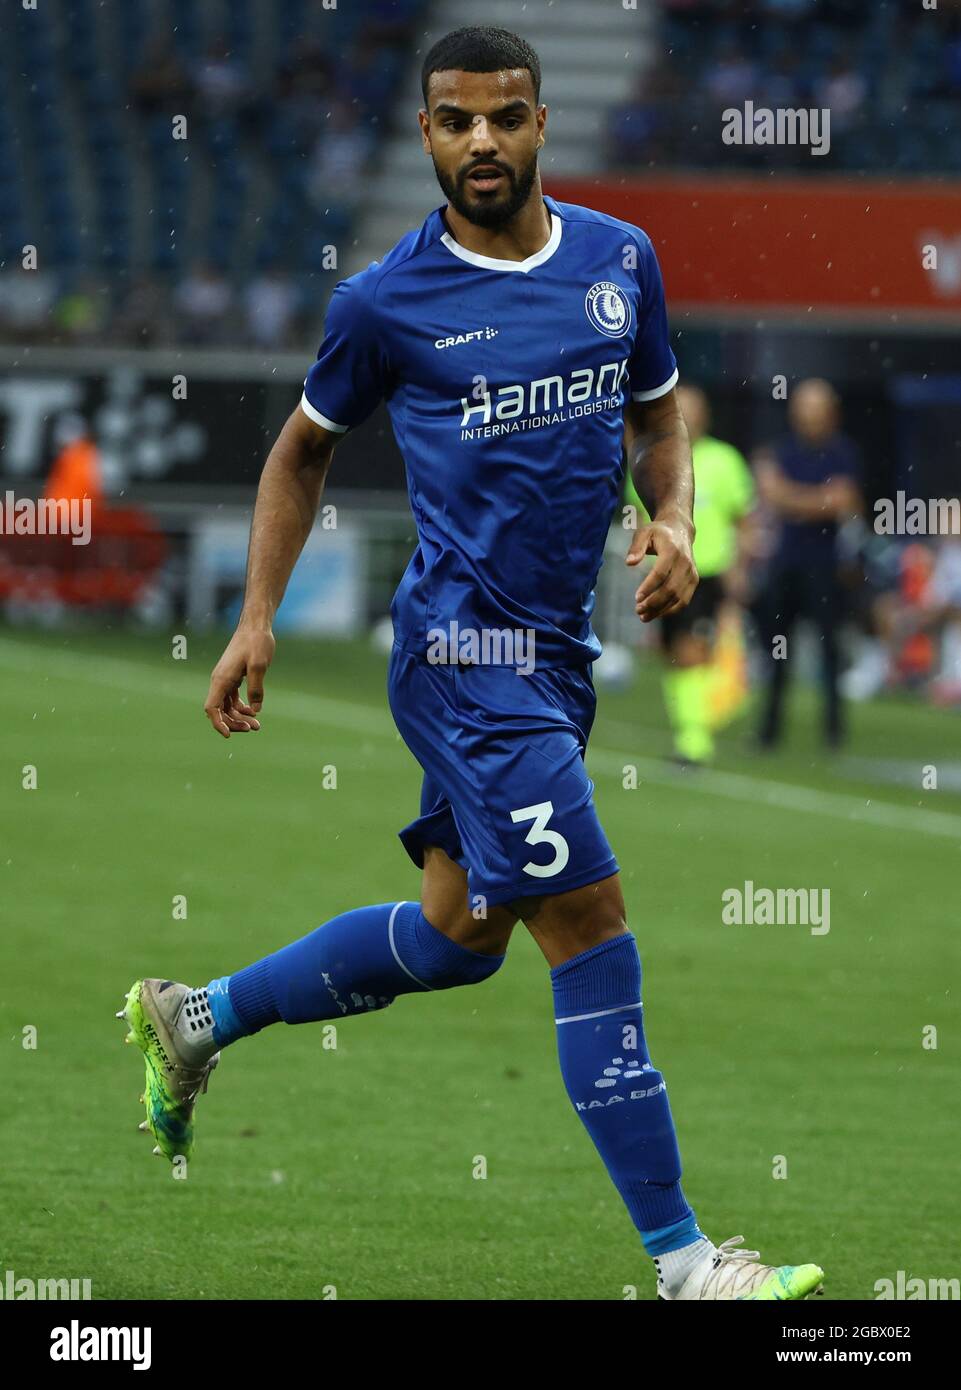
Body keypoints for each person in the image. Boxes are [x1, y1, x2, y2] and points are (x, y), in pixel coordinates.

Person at [118, 26, 823, 1302]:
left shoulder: (621, 261)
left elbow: (657, 410)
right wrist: (254, 616)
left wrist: (675, 521)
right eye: (452, 121)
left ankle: (199, 1013)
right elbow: (299, 453)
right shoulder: (385, 299)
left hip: (556, 661)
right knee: (592, 925)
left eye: (503, 117)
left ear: (542, 121)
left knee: (457, 939)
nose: (480, 142)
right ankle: (685, 1265)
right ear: (428, 133)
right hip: (459, 657)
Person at [624, 384, 755, 765]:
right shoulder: (653, 460)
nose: (689, 415)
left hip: (707, 572)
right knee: (673, 656)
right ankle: (693, 728)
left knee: (692, 652)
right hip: (664, 570)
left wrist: (739, 568)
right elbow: (644, 517)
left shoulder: (724, 460)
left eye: (694, 409)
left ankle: (694, 742)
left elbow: (745, 520)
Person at [753, 378, 862, 749]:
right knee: (777, 649)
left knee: (830, 649)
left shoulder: (841, 452)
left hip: (825, 567)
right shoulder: (784, 450)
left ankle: (833, 733)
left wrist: (792, 498)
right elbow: (774, 496)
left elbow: (843, 501)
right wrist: (816, 501)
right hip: (787, 563)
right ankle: (769, 730)